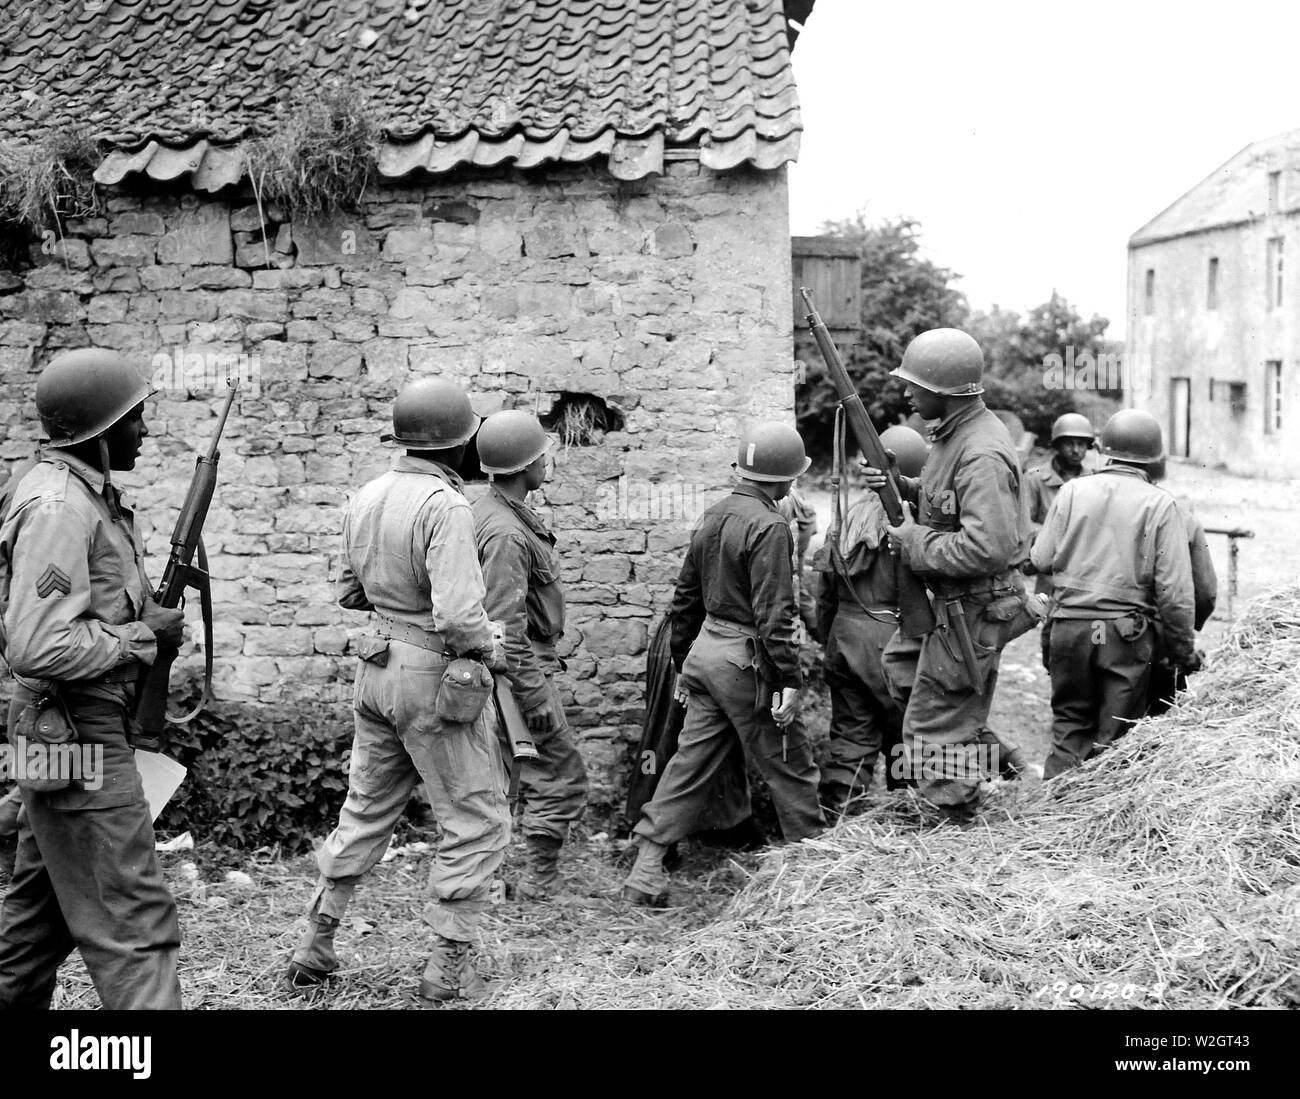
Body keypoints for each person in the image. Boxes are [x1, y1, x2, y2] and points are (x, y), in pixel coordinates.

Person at [284, 378, 510, 1003]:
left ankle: (316, 942)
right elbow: (462, 619)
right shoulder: (447, 506)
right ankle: (447, 967)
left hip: (376, 665)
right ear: (456, 444)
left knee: (365, 808)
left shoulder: (368, 494)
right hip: (431, 676)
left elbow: (348, 591)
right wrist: (490, 648)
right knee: (475, 818)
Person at [0, 348, 186, 1010]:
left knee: (32, 927)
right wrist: (143, 637)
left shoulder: (78, 495)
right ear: (100, 431)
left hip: (59, 732)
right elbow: (38, 642)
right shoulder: (60, 506)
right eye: (135, 419)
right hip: (76, 730)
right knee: (136, 929)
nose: (145, 431)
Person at [623, 422, 825, 905]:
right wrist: (789, 682)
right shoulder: (770, 526)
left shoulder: (713, 515)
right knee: (790, 763)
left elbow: (684, 600)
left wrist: (683, 665)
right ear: (785, 479)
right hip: (745, 661)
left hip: (705, 655)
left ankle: (646, 867)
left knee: (689, 764)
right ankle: (820, 871)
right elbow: (776, 615)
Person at [861, 329, 1032, 824]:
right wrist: (904, 487)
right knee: (900, 670)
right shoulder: (954, 436)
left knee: (930, 731)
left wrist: (913, 542)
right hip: (948, 602)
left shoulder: (979, 451)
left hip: (973, 606)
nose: (907, 393)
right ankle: (987, 754)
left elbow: (987, 546)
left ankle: (952, 820)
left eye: (915, 384)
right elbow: (945, 504)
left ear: (948, 390)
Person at [1031, 409, 1198, 777]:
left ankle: (1051, 818)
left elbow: (1040, 558)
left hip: (1069, 629)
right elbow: (1175, 593)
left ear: (1104, 450)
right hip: (1123, 637)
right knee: (1116, 736)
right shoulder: (1160, 504)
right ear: (1155, 458)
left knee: (1069, 725)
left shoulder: (1072, 490)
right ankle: (1095, 823)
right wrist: (1181, 651)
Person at [471, 410, 588, 900]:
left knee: (506, 775)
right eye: (542, 455)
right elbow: (504, 630)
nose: (548, 462)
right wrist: (533, 695)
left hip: (509, 671)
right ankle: (539, 882)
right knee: (560, 774)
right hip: (518, 672)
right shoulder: (505, 532)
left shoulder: (494, 511)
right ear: (524, 466)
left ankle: (497, 878)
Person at [814, 425, 929, 813]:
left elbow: (824, 595)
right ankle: (905, 808)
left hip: (844, 638)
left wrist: (829, 638)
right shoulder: (912, 523)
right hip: (894, 642)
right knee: (905, 732)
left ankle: (838, 814)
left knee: (851, 733)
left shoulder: (847, 517)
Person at [1023, 412, 1099, 667]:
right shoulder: (1035, 478)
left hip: (1088, 571)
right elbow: (1023, 524)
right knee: (1052, 637)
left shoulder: (1096, 479)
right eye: (1069, 443)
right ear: (1056, 445)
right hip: (1051, 572)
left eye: (1081, 444)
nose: (1076, 450)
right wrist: (1057, 533)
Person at [1147, 496, 1217, 715]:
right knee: (1155, 705)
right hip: (1159, 630)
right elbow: (1205, 594)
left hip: (1107, 625)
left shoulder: (1136, 515)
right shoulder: (1187, 522)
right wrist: (1188, 634)